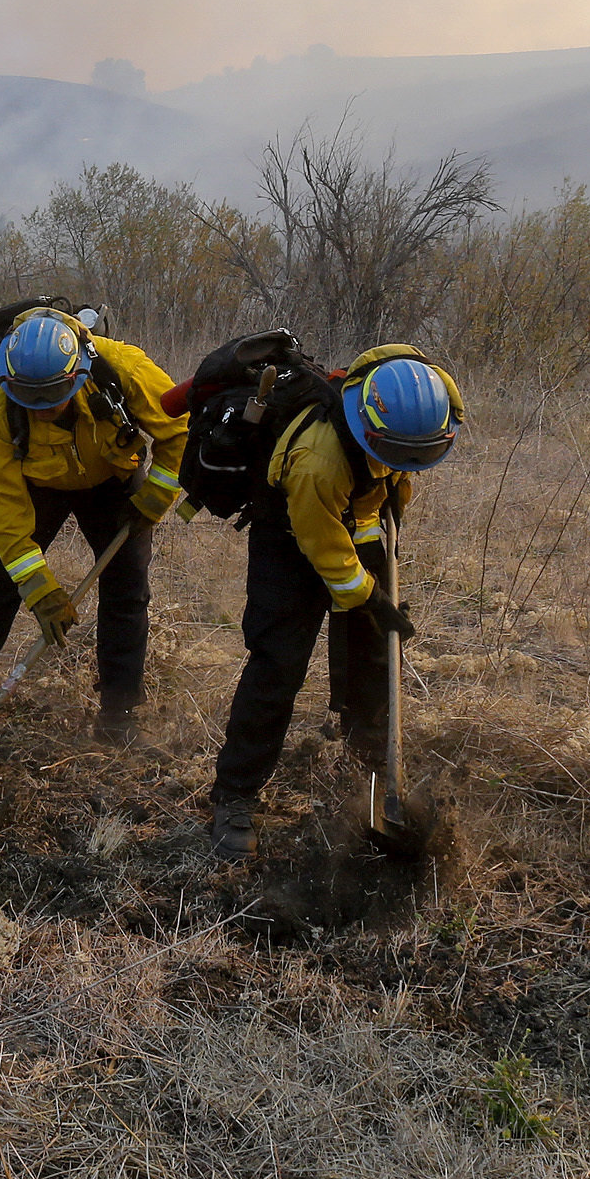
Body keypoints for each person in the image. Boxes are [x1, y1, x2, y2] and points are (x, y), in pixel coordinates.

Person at [208, 347, 464, 858]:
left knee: (372, 664)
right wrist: (371, 599)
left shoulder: (421, 410)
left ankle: (373, 781)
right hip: (289, 545)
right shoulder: (319, 461)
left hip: (359, 531)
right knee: (277, 668)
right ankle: (234, 796)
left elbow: (395, 477)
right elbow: (323, 549)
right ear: (367, 426)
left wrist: (376, 591)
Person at [0, 308, 187, 742]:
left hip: (111, 477)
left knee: (127, 589)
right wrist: (38, 587)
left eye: (52, 397)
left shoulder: (123, 369)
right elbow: (5, 514)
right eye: (28, 398)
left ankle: (120, 712)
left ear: (77, 373)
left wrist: (156, 494)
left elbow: (180, 428)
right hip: (37, 483)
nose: (40, 410)